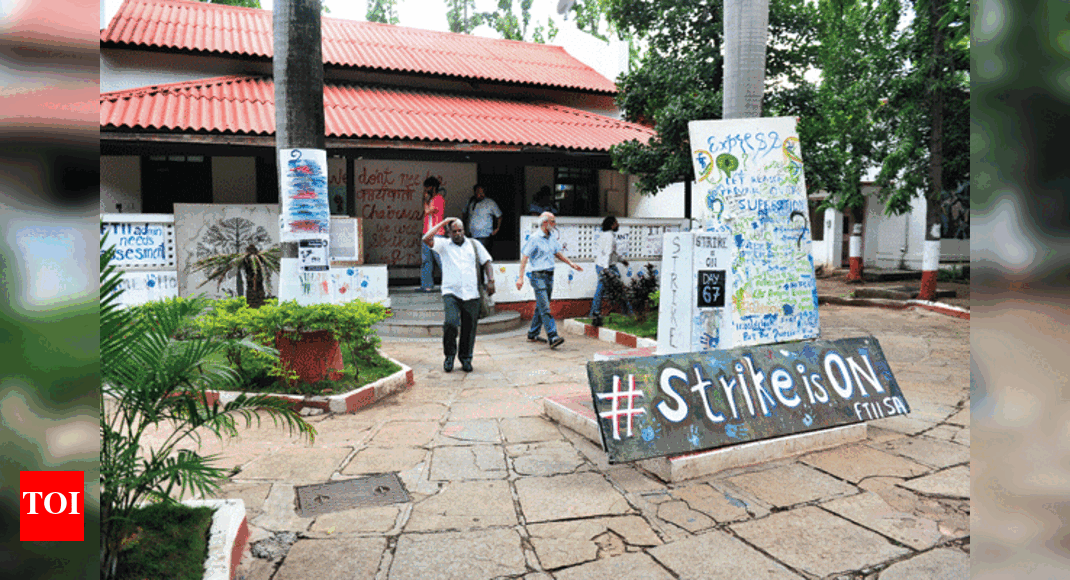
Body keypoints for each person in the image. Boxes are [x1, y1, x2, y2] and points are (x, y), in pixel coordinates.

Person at [423, 217, 495, 373]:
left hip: (471, 293)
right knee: (450, 323)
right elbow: (426, 238)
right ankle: (449, 356)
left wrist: (491, 280)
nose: (457, 234)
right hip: (451, 293)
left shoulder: (474, 245)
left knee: (469, 328)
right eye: (454, 231)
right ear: (448, 232)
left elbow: (487, 262)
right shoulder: (443, 245)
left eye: (460, 230)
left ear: (464, 231)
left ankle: (466, 358)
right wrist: (443, 222)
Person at [516, 212, 583, 349]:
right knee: (545, 307)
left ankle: (533, 333)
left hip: (549, 276)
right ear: (545, 223)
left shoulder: (551, 237)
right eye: (553, 221)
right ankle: (553, 336)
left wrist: (571, 263)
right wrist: (521, 277)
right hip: (538, 276)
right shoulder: (534, 238)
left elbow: (557, 252)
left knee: (542, 306)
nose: (555, 224)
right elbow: (524, 257)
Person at [588, 216, 631, 327]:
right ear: (612, 225)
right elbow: (607, 253)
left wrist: (622, 260)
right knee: (607, 289)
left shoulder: (606, 235)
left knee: (608, 289)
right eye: (616, 223)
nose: (618, 224)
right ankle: (627, 312)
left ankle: (627, 312)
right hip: (606, 266)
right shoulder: (609, 237)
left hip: (604, 265)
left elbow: (612, 253)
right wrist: (606, 269)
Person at [419, 176, 445, 292]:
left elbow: (427, 211)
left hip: (437, 234)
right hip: (427, 233)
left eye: (427, 187)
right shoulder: (432, 200)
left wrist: (424, 199)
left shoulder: (439, 199)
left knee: (440, 260)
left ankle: (450, 284)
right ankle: (427, 286)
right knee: (426, 260)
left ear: (433, 187)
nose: (426, 189)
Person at [462, 183, 502, 255]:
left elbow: (499, 216)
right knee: (473, 255)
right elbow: (464, 214)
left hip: (484, 235)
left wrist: (497, 228)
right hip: (472, 234)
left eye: (482, 192)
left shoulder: (490, 203)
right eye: (478, 192)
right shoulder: (471, 201)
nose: (480, 194)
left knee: (483, 255)